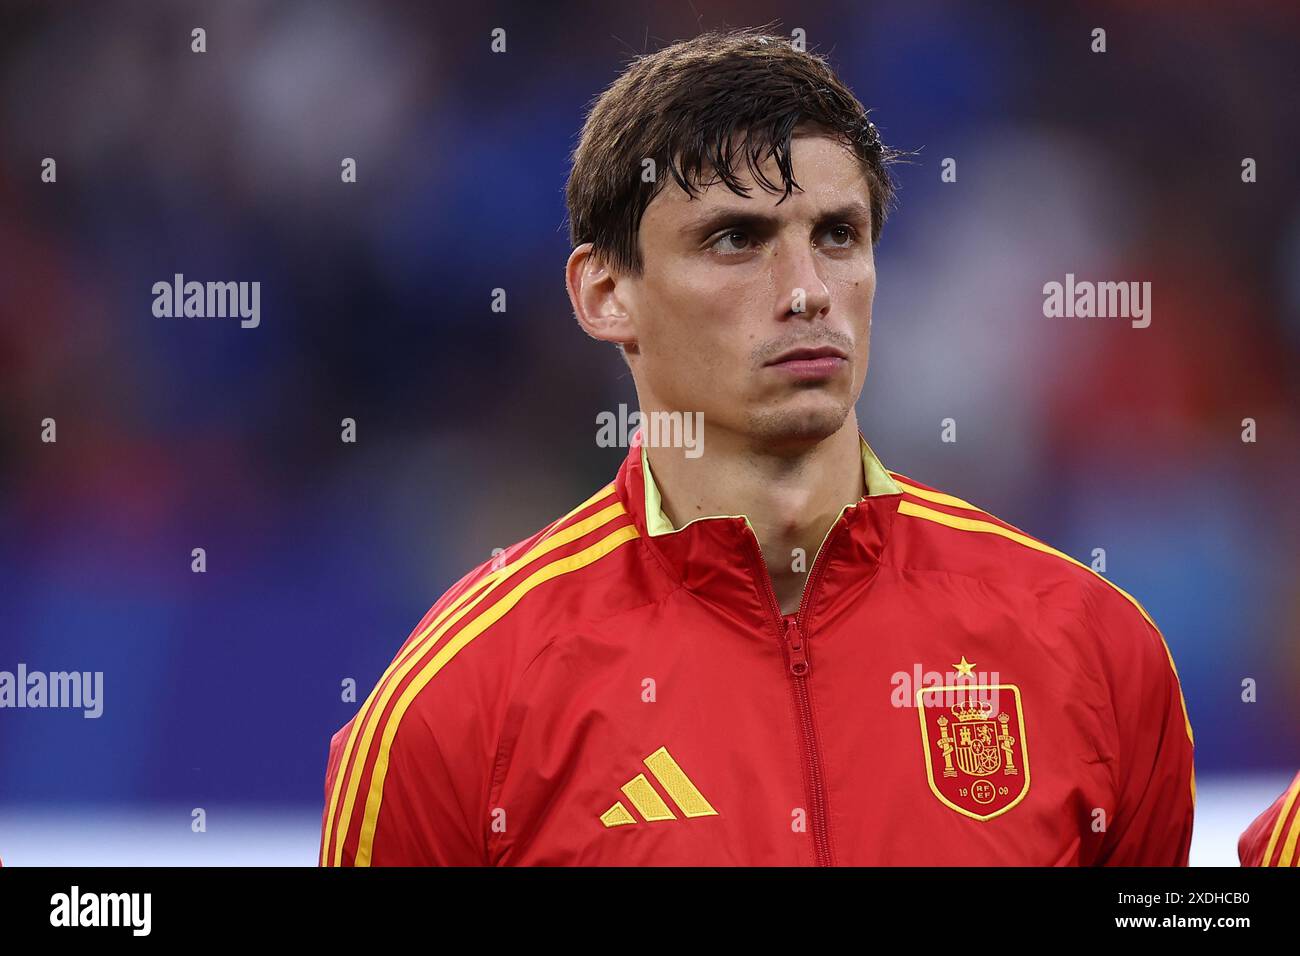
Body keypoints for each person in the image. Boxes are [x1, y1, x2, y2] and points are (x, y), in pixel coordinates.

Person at [319, 28, 1194, 866]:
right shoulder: (458, 703)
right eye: (737, 239)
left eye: (838, 236)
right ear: (604, 293)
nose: (809, 291)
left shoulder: (1093, 650)